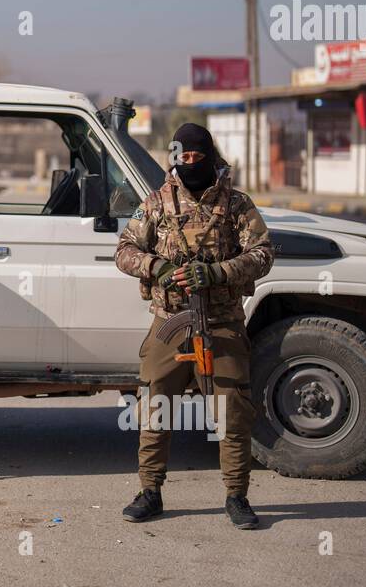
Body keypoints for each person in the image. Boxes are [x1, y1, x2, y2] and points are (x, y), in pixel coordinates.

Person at [114, 122, 273, 529]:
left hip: (220, 324)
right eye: (181, 158)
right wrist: (159, 267)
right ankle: (150, 491)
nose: (189, 164)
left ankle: (236, 497)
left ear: (210, 157)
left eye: (196, 157)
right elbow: (124, 251)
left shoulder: (236, 204)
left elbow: (262, 254)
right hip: (170, 323)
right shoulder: (156, 203)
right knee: (154, 409)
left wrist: (217, 273)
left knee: (232, 414)